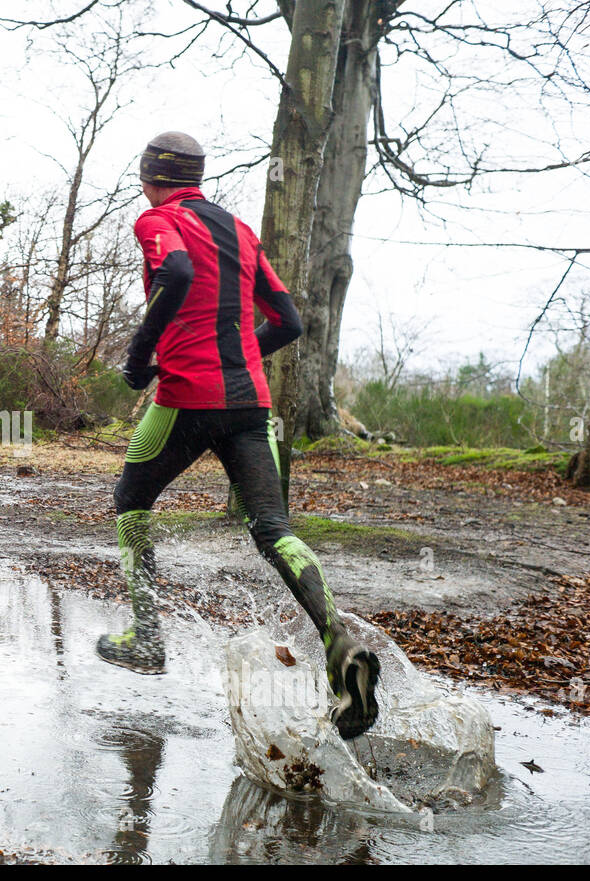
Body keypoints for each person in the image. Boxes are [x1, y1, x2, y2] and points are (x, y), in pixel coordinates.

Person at [97, 131, 380, 740]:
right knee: (274, 530)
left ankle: (145, 635)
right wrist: (244, 354)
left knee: (129, 500)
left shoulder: (156, 220)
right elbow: (290, 320)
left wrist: (140, 356)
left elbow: (174, 270)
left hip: (185, 395)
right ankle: (340, 645)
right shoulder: (240, 231)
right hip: (252, 403)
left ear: (152, 178)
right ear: (196, 177)